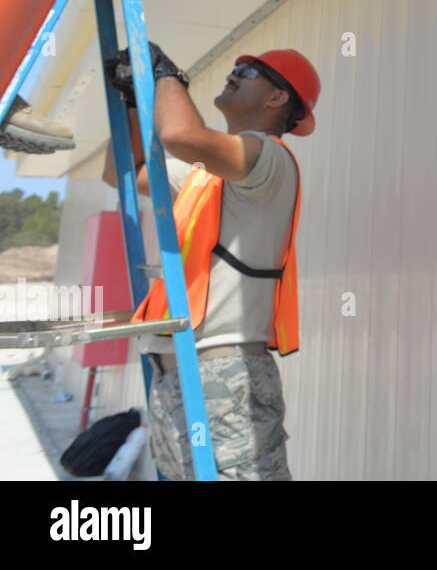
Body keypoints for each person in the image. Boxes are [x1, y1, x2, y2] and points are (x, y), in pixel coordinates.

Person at [102, 44, 320, 480]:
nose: (233, 74)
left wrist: (167, 76)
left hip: (226, 377)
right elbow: (124, 175)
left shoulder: (268, 157)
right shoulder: (207, 174)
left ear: (277, 98)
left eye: (248, 70)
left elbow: (181, 136)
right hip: (175, 376)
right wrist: (130, 102)